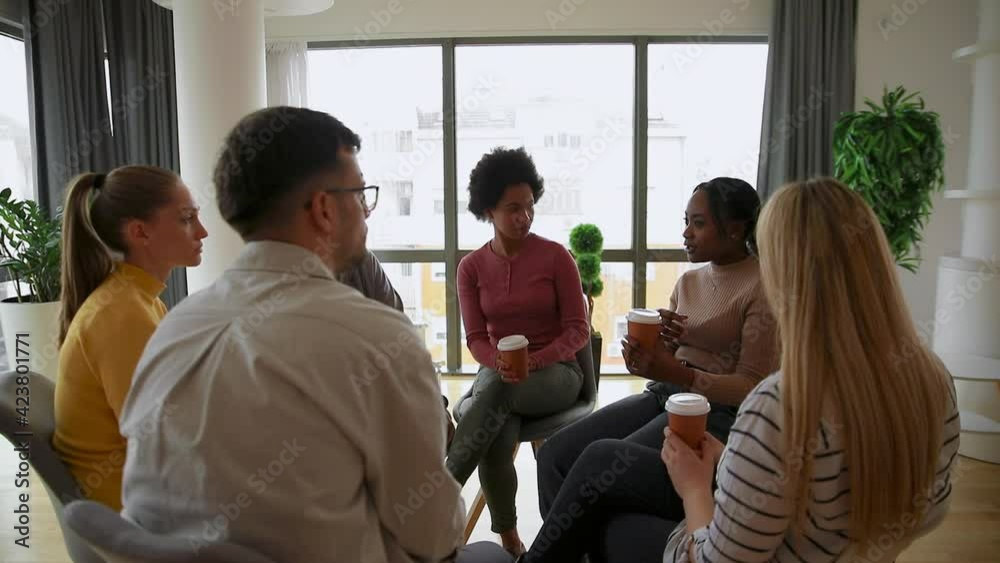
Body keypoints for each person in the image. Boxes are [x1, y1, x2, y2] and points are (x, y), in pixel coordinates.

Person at [118, 107, 510, 563]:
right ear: (324, 208)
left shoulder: (173, 329)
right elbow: (435, 536)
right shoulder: (378, 340)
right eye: (360, 194)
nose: (365, 211)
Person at [660, 177, 959, 562]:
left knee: (612, 511)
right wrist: (738, 458)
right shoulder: (934, 378)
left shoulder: (777, 405)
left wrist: (694, 489)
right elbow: (930, 507)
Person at [525, 177, 779, 562]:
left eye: (698, 223)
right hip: (666, 395)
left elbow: (751, 386)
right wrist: (651, 354)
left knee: (600, 460)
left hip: (714, 414)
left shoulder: (762, 286)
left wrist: (680, 373)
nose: (686, 233)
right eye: (686, 222)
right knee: (555, 455)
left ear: (735, 229)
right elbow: (669, 364)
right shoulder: (689, 281)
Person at [446, 146, 590, 557]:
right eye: (513, 208)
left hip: (558, 373)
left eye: (529, 206)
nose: (524, 216)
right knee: (497, 426)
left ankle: (440, 492)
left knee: (492, 398)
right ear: (488, 210)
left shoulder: (556, 257)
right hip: (499, 374)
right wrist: (498, 362)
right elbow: (476, 339)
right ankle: (510, 542)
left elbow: (578, 330)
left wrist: (534, 361)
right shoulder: (471, 267)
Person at [53, 166, 207, 511]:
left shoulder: (138, 300)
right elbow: (157, 437)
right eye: (187, 219)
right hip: (130, 510)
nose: (202, 231)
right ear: (140, 232)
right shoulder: (121, 313)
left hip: (138, 493)